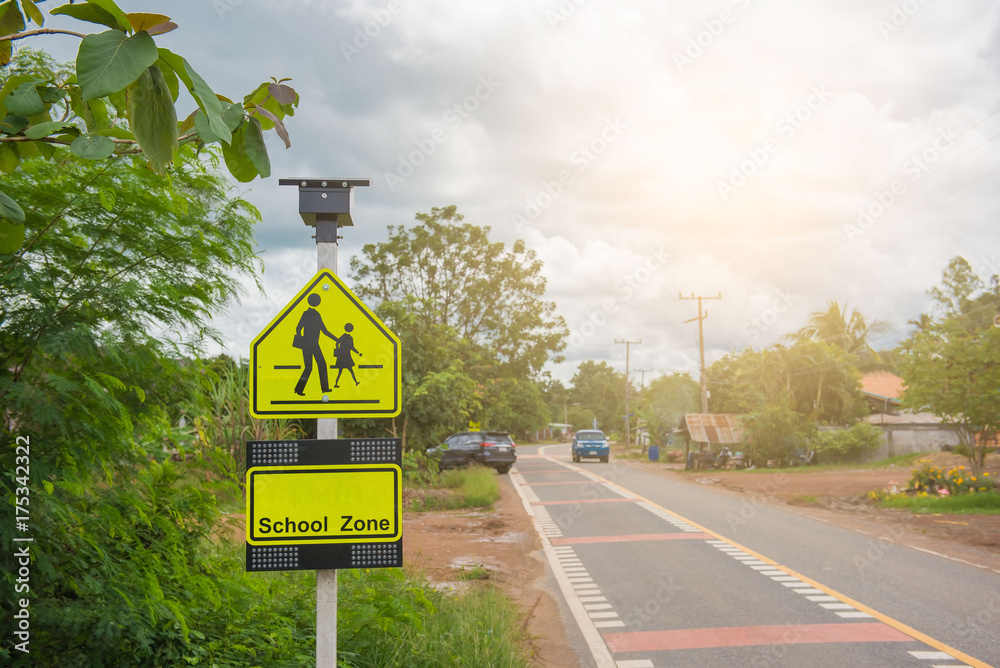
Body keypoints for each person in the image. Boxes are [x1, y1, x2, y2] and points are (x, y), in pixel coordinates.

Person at [292, 294, 338, 395]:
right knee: (313, 366)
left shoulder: (314, 314)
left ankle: (320, 389)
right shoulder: (310, 314)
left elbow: (324, 331)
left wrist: (336, 339)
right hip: (310, 345)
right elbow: (299, 328)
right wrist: (301, 341)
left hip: (312, 345)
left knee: (315, 366)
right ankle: (301, 389)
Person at [333, 323, 363, 387]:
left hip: (343, 356)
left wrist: (339, 350)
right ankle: (356, 382)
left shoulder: (345, 337)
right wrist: (338, 350)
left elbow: (337, 343)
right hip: (345, 357)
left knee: (341, 372)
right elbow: (351, 347)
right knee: (350, 371)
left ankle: (336, 384)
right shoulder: (348, 337)